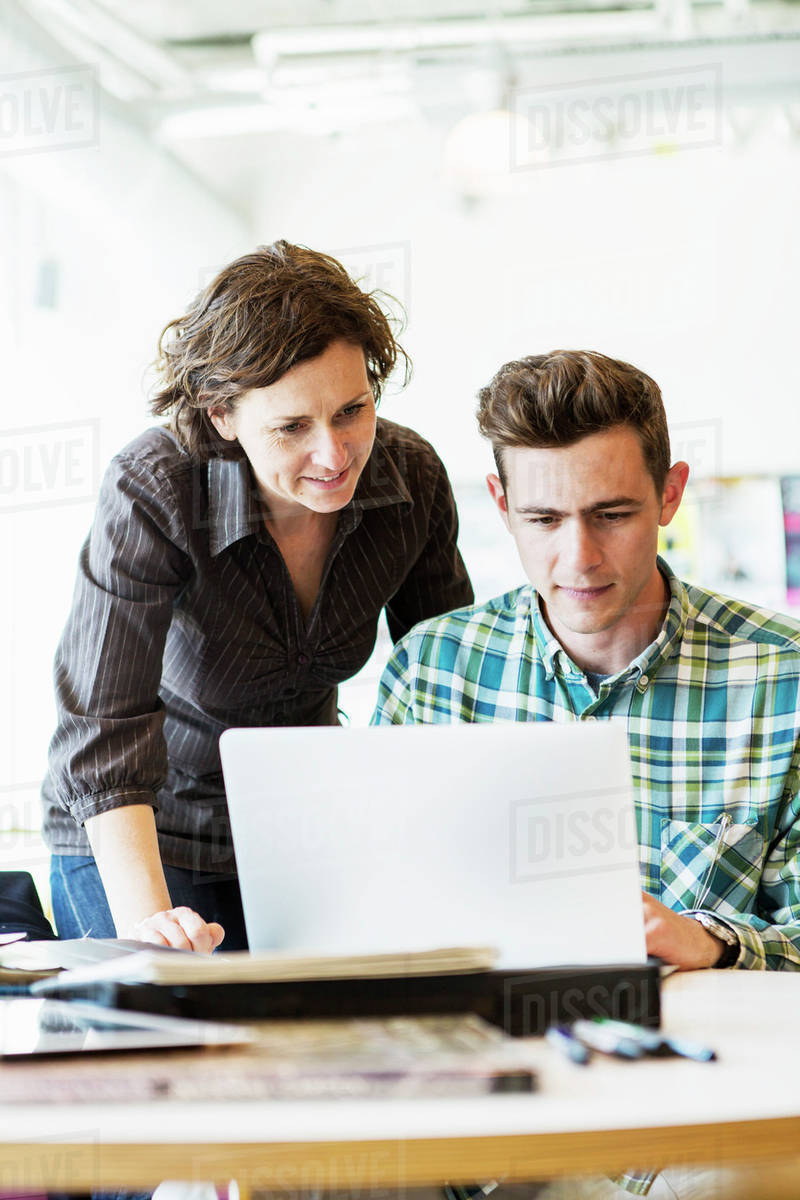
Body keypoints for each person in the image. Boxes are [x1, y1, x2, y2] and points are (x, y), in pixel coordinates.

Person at [42, 240, 473, 953]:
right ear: (221, 415)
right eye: (292, 427)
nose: (335, 455)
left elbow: (456, 680)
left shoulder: (412, 480)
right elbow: (103, 725)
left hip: (300, 835)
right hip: (141, 828)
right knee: (172, 1025)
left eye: (352, 410)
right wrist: (154, 926)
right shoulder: (156, 488)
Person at [373, 349, 800, 973]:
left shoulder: (783, 679)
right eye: (543, 519)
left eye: (612, 516)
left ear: (670, 494)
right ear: (501, 504)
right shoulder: (430, 669)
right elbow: (379, 904)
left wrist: (713, 942)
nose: (579, 558)